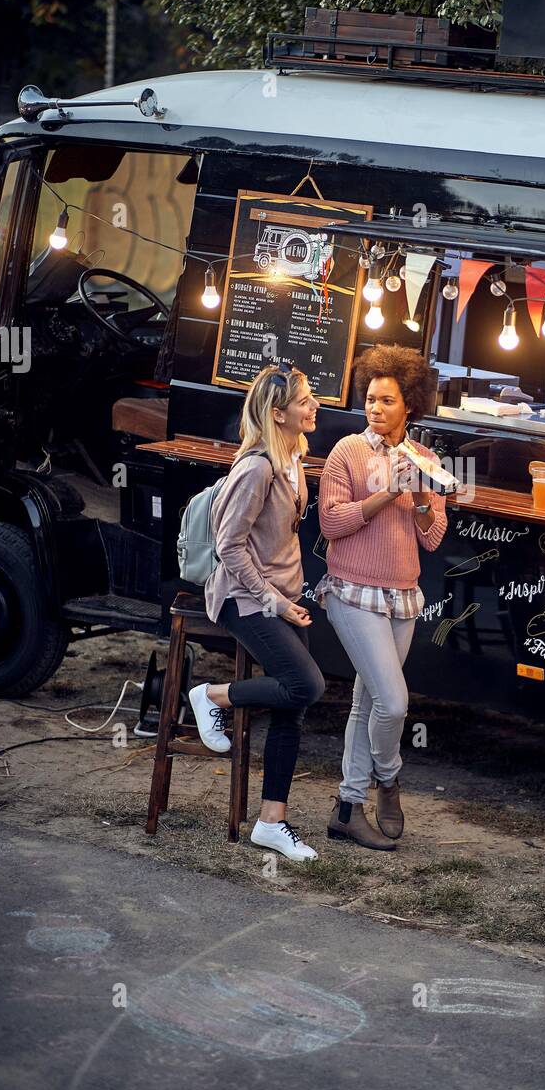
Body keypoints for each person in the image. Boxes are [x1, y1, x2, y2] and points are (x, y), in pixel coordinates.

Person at [187, 364, 326, 862]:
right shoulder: (257, 467)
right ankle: (210, 695)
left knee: (295, 703)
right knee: (306, 684)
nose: (314, 406)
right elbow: (229, 546)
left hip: (281, 595)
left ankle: (271, 822)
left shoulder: (294, 459)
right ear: (277, 412)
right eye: (305, 400)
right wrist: (274, 600)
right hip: (243, 598)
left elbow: (281, 538)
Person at [315, 345, 448, 850]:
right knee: (393, 703)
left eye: (386, 400)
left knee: (367, 701)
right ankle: (389, 778)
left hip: (402, 597)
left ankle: (348, 806)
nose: (375, 408)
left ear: (408, 406)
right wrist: (388, 492)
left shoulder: (428, 461)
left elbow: (432, 538)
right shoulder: (347, 451)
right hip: (352, 590)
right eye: (370, 398)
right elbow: (331, 523)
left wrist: (417, 500)